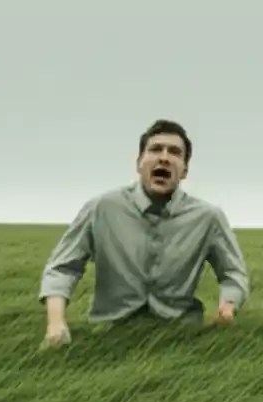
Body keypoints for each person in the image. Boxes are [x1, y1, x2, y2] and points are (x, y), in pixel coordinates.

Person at [37, 119, 251, 348]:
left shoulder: (209, 218)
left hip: (180, 335)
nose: (164, 157)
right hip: (110, 334)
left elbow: (233, 273)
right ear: (139, 163)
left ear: (185, 170)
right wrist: (56, 323)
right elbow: (62, 267)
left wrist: (227, 308)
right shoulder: (102, 208)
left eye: (175, 153)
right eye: (155, 149)